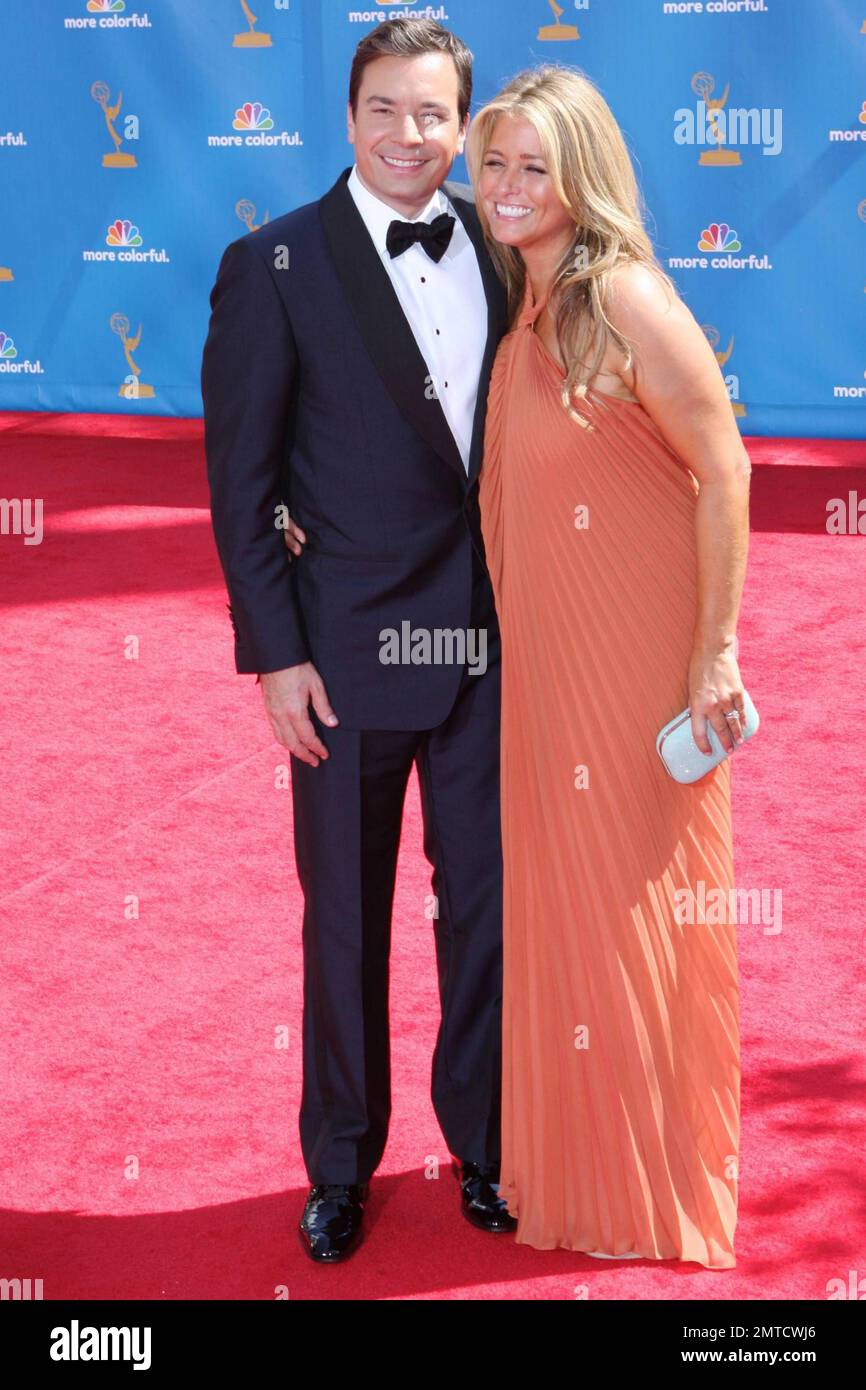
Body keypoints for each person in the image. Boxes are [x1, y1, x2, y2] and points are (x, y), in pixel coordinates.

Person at [201, 18, 514, 1264]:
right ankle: (339, 1165)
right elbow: (239, 483)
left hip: (491, 651)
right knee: (345, 920)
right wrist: (275, 655)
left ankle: (486, 1142)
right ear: (347, 115)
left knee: (486, 912)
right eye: (383, 109)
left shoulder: (503, 248)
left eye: (431, 113)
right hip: (343, 655)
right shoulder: (270, 265)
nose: (407, 136)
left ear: (462, 124)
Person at [464, 66, 752, 1268]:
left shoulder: (622, 294)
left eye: (535, 166)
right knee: (564, 914)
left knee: (628, 906)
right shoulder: (518, 298)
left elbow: (723, 466)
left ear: (580, 178)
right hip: (543, 663)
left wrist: (712, 652)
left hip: (631, 654)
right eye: (495, 164)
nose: (508, 188)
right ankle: (568, 1166)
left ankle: (645, 1181)